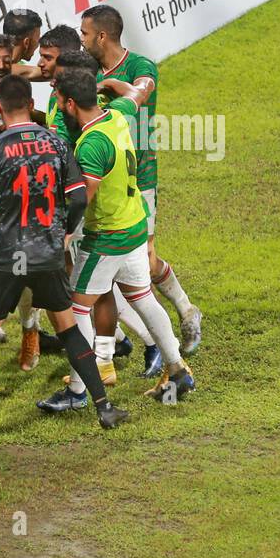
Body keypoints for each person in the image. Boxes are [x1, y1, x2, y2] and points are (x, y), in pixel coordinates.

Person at [0, 74, 129, 439]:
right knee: (69, 329)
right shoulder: (58, 144)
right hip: (46, 254)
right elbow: (78, 198)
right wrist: (65, 231)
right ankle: (104, 408)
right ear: (31, 104)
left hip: (3, 258)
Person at [38, 68, 193, 410]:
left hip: (107, 236)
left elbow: (82, 199)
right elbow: (140, 91)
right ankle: (177, 368)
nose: (59, 107)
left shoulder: (91, 145)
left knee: (75, 308)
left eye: (61, 101)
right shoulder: (118, 115)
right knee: (141, 296)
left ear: (71, 103)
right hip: (134, 224)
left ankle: (79, 390)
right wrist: (109, 83)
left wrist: (62, 235)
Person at [82, 4, 203, 352]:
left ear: (102, 36)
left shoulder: (140, 66)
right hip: (104, 176)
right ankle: (129, 341)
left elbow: (143, 89)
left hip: (139, 175)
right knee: (113, 263)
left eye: (85, 34)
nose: (82, 40)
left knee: (145, 262)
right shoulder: (86, 68)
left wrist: (105, 84)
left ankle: (186, 310)